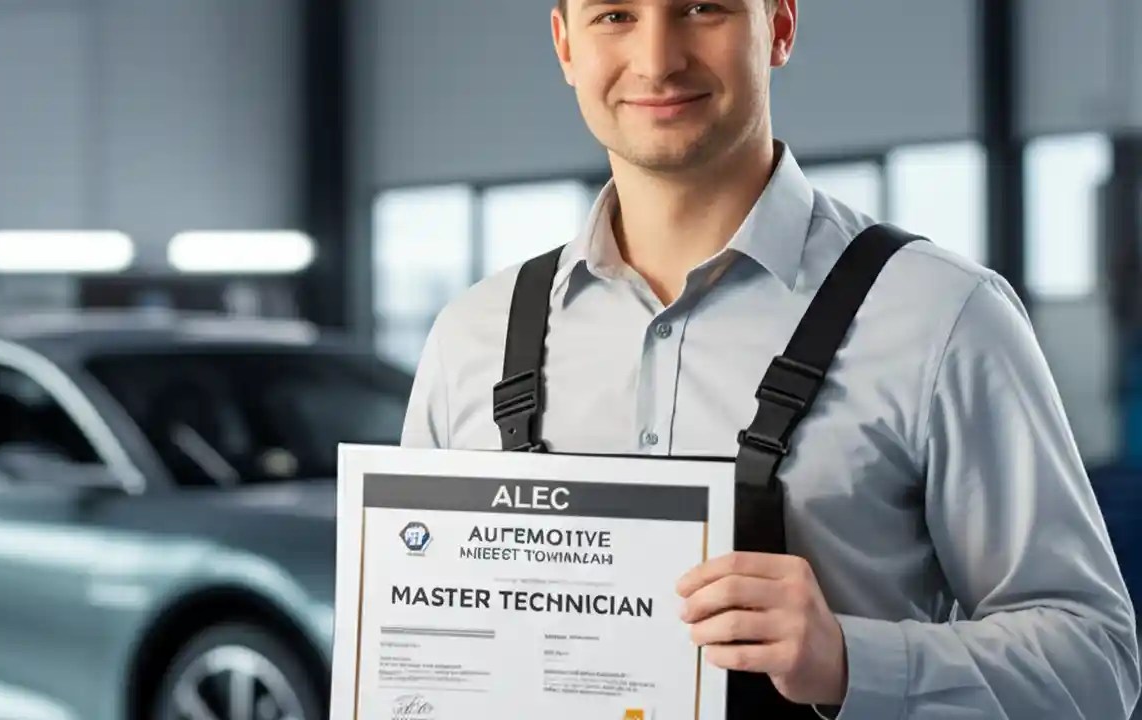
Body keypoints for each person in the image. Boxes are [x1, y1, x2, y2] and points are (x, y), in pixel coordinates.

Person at [400, 0, 1141, 717]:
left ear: (779, 26)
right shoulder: (473, 336)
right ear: (566, 45)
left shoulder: (943, 318)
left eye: (702, 10)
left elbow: (1098, 666)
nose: (657, 60)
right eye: (615, 15)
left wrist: (850, 661)